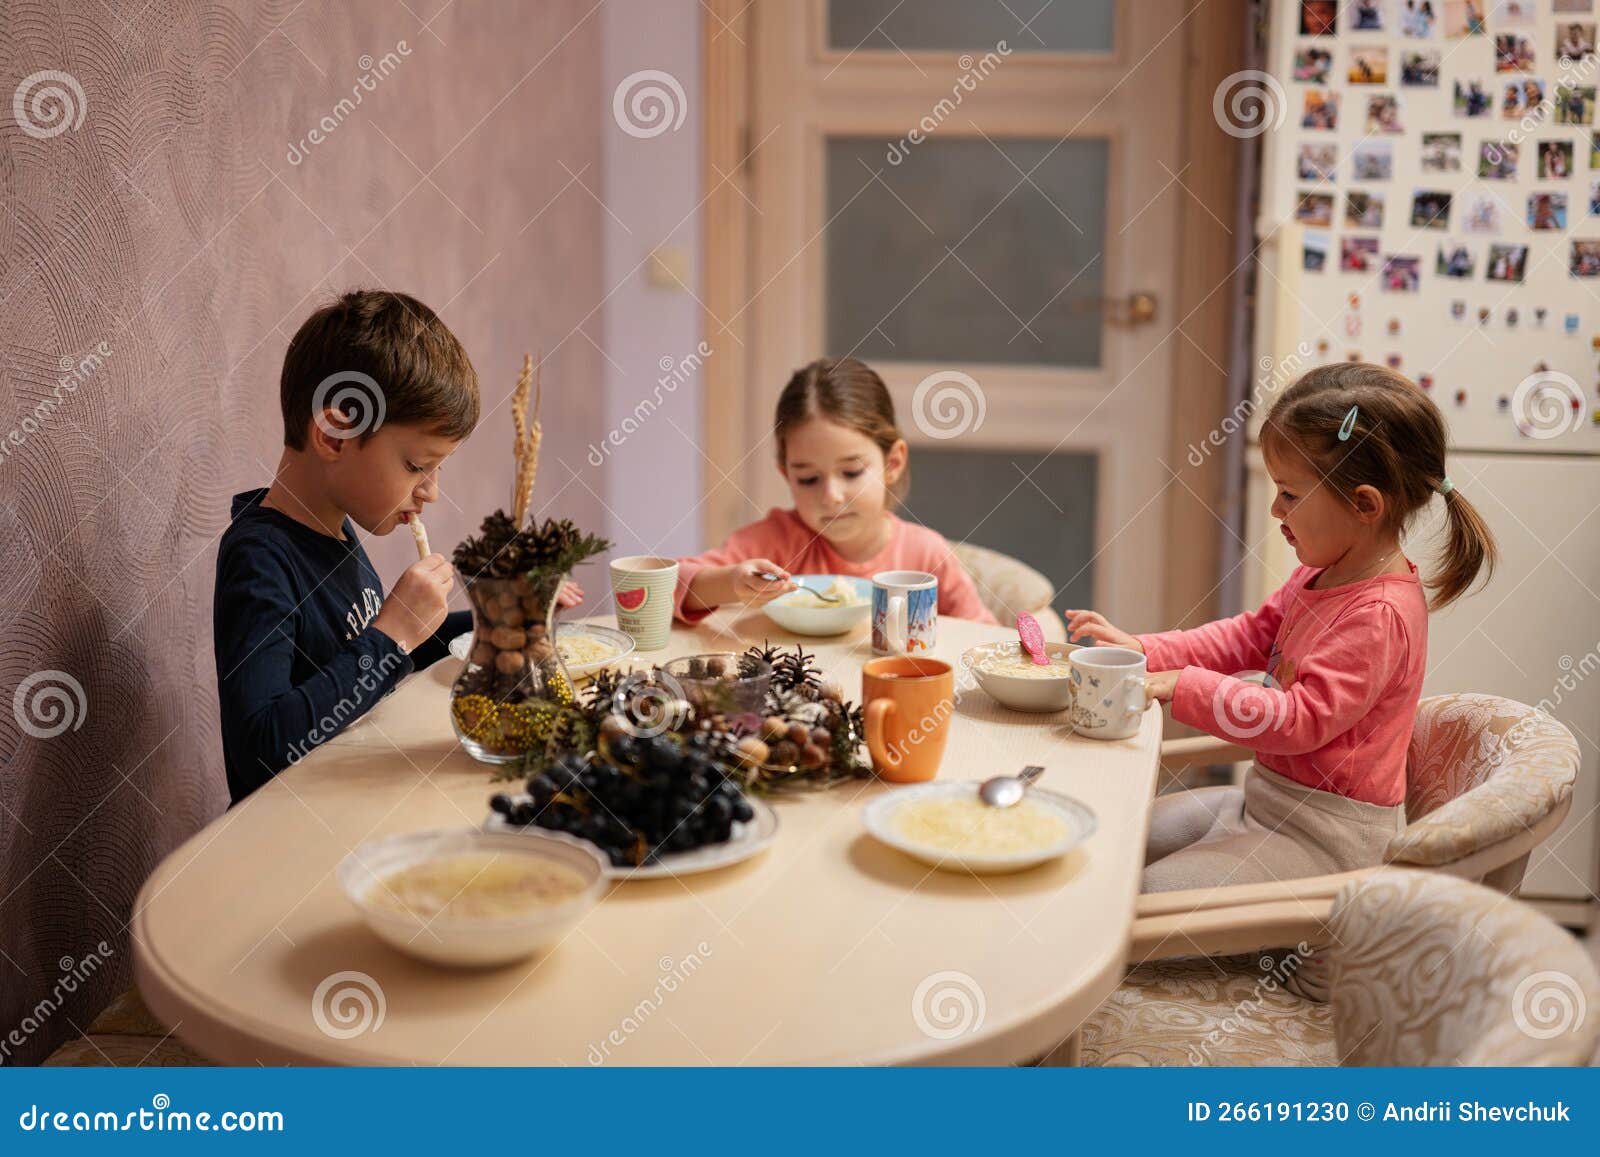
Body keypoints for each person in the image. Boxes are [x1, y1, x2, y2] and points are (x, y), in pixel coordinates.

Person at [1066, 362, 1496, 898]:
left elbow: (1300, 721)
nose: (1275, 509)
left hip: (1326, 843)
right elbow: (1247, 638)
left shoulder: (1379, 616)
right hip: (1263, 805)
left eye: (1289, 494)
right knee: (1112, 843)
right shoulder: (1318, 576)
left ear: (1364, 504)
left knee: (1143, 897)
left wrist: (1186, 687)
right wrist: (1146, 650)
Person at [213, 290, 581, 803]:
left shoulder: (336, 532)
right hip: (291, 835)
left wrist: (500, 618)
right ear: (335, 436)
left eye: (437, 469)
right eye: (416, 466)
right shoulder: (261, 557)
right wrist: (391, 634)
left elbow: (385, 653)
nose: (431, 491)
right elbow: (262, 752)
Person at [673, 357, 995, 625]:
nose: (831, 496)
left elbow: (984, 639)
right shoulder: (774, 543)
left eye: (851, 472)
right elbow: (670, 584)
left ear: (892, 463)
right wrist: (731, 584)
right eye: (809, 479)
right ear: (786, 474)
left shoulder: (925, 555)